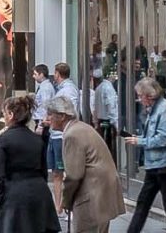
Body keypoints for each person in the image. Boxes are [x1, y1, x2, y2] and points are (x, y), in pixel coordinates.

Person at [45, 96, 122, 233]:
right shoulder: (81, 127)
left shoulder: (72, 134)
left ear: (62, 116)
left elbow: (74, 175)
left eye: (50, 114)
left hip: (92, 197)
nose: (47, 118)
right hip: (101, 193)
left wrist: (65, 201)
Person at [122, 77, 166, 233]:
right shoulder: (155, 109)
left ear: (149, 95)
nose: (139, 99)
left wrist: (140, 141)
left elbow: (164, 138)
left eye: (140, 95)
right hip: (155, 164)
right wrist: (140, 139)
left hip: (165, 164)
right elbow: (155, 135)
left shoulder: (164, 109)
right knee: (144, 203)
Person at [0, 94, 58, 233]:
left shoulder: (2, 140)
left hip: (15, 194)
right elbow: (43, 171)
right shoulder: (37, 139)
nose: (4, 117)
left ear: (11, 115)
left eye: (4, 114)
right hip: (40, 192)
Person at [88, 68, 120, 155]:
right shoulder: (106, 88)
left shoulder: (102, 88)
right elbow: (111, 106)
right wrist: (116, 123)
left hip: (104, 122)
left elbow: (97, 106)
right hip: (107, 122)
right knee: (108, 149)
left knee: (106, 148)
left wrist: (96, 122)